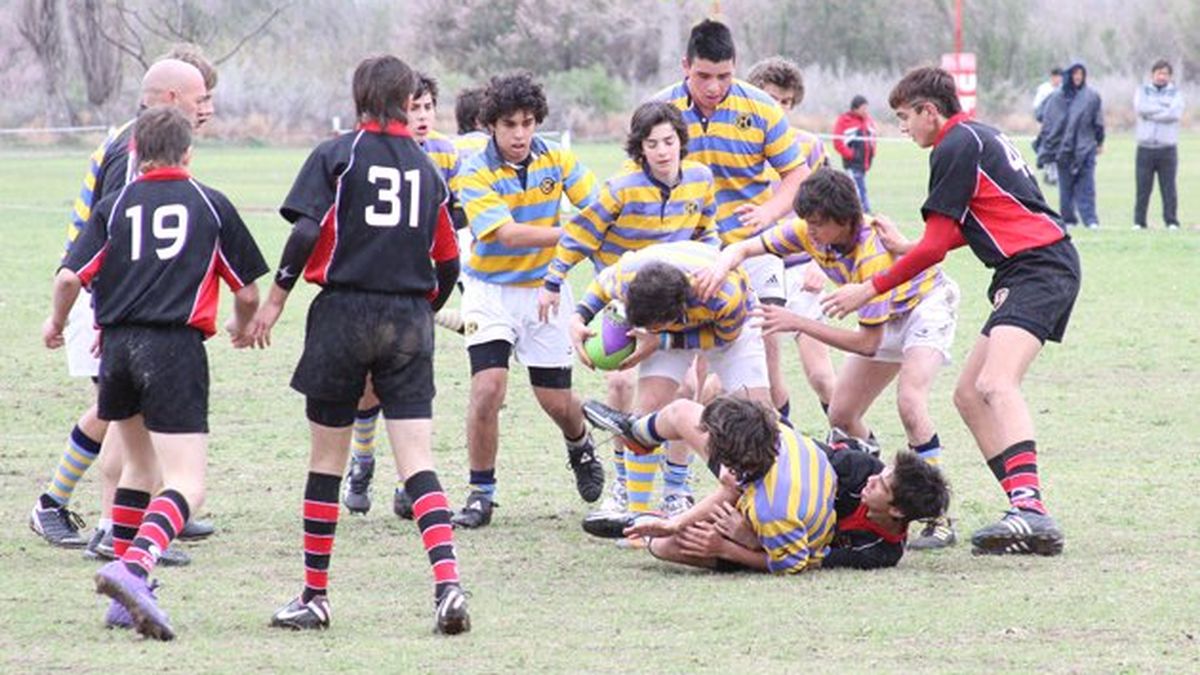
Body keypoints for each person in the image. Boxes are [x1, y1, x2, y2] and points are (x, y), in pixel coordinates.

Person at [822, 66, 1080, 556]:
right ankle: (1022, 512)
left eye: (904, 117)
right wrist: (910, 245)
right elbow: (986, 218)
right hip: (1027, 268)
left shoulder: (954, 145)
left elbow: (938, 246)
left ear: (929, 111)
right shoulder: (978, 135)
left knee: (994, 384)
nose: (902, 127)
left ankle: (1030, 509)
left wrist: (867, 289)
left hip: (1039, 269)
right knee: (966, 394)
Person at [251, 55, 469, 634]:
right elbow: (448, 261)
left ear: (359, 98)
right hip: (408, 318)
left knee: (327, 460)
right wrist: (426, 311)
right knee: (417, 460)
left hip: (342, 313)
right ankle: (447, 586)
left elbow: (304, 230)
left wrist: (275, 300)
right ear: (406, 99)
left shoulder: (337, 154)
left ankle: (315, 596)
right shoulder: (429, 170)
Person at [43, 106, 267, 639]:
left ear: (136, 154)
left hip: (117, 349)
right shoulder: (210, 204)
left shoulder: (115, 204)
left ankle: (124, 604)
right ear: (189, 152)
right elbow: (249, 291)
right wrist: (240, 325)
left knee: (137, 472)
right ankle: (135, 566)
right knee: (187, 483)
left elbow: (70, 278)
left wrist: (56, 323)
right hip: (173, 347)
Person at [698, 167, 960, 549]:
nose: (811, 230)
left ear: (846, 220)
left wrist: (798, 322)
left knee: (910, 400)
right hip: (886, 316)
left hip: (926, 305)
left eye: (819, 223)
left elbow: (868, 343)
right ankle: (881, 480)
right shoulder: (809, 231)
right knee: (841, 414)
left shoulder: (872, 252)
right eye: (808, 221)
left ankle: (937, 518)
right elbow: (746, 247)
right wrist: (720, 267)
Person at [31, 56, 217, 565]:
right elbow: (115, 240)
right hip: (104, 299)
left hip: (111, 300)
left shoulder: (142, 141)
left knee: (123, 415)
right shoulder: (134, 151)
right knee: (121, 415)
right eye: (202, 99)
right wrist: (105, 314)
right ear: (174, 100)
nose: (209, 108)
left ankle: (134, 520)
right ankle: (89, 517)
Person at [537, 101, 717, 524]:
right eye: (652, 144)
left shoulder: (701, 180)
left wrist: (712, 269)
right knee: (619, 383)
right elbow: (579, 235)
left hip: (673, 301)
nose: (662, 151)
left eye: (669, 141)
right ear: (640, 149)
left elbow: (707, 233)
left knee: (687, 385)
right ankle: (622, 488)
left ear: (681, 142)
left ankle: (676, 489)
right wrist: (552, 281)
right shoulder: (620, 189)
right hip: (623, 300)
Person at [453, 71, 604, 529]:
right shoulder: (475, 168)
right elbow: (504, 234)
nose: (520, 134)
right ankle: (481, 494)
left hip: (547, 292)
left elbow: (599, 208)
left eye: (527, 123)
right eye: (509, 124)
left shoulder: (557, 158)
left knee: (556, 401)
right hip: (490, 292)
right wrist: (575, 233)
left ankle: (580, 445)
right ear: (490, 126)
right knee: (487, 389)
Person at [652, 19, 808, 423]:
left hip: (753, 246)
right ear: (685, 65)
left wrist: (769, 213)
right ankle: (692, 449)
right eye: (703, 75)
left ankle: (768, 425)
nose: (713, 87)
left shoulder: (761, 108)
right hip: (688, 250)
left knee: (760, 338)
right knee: (691, 361)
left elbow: (797, 175)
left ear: (736, 66)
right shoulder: (661, 111)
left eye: (724, 76)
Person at [586, 396, 938, 574]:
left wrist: (739, 543)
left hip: (769, 526)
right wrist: (737, 483)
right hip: (760, 469)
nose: (874, 476)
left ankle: (652, 523)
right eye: (881, 472)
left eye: (882, 483)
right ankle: (638, 434)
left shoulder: (879, 551)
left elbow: (800, 561)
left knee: (666, 547)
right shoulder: (859, 470)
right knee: (682, 411)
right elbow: (799, 459)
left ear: (896, 511)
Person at [343, 71, 464, 520]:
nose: (422, 116)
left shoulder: (446, 156)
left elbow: (454, 227)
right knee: (367, 386)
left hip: (420, 287)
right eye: (414, 107)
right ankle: (363, 459)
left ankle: (405, 483)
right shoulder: (368, 152)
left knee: (411, 394)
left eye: (429, 107)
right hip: (377, 286)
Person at [746, 56, 837, 419]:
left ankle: (851, 439)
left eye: (785, 101)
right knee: (768, 370)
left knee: (820, 373)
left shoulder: (810, 147)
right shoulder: (740, 147)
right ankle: (783, 444)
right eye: (770, 98)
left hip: (803, 267)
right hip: (758, 264)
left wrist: (821, 263)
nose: (778, 107)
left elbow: (836, 210)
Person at [1037, 62, 1104, 229]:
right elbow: (1047, 122)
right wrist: (1047, 148)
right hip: (1063, 150)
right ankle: (1068, 219)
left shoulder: (1091, 97)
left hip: (1086, 147)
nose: (1078, 77)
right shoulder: (1057, 97)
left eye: (1081, 74)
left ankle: (1090, 220)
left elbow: (1098, 122)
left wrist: (1100, 141)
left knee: (1087, 186)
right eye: (1075, 73)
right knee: (1065, 187)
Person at [1134, 59, 1184, 230]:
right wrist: (1163, 109)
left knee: (1168, 187)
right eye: (1159, 73)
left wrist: (1153, 112)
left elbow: (1174, 113)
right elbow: (1141, 108)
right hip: (1145, 147)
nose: (1162, 77)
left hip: (1167, 148)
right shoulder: (1142, 91)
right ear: (1153, 74)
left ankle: (1171, 221)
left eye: (1166, 74)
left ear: (1170, 76)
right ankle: (1139, 222)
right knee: (1142, 187)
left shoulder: (1176, 93)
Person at [833, 95, 877, 213]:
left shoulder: (868, 120)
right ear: (855, 108)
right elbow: (837, 141)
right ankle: (864, 212)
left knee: (860, 187)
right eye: (864, 108)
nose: (866, 111)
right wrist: (851, 154)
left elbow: (872, 137)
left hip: (865, 163)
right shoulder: (844, 120)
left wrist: (873, 152)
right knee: (858, 189)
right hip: (852, 163)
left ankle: (860, 212)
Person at [1032, 67, 1063, 186]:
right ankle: (1049, 173)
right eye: (1056, 77)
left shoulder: (1063, 89)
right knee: (1046, 149)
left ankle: (1054, 175)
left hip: (1059, 125)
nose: (1058, 80)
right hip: (1046, 125)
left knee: (1057, 150)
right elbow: (1037, 108)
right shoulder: (1044, 90)